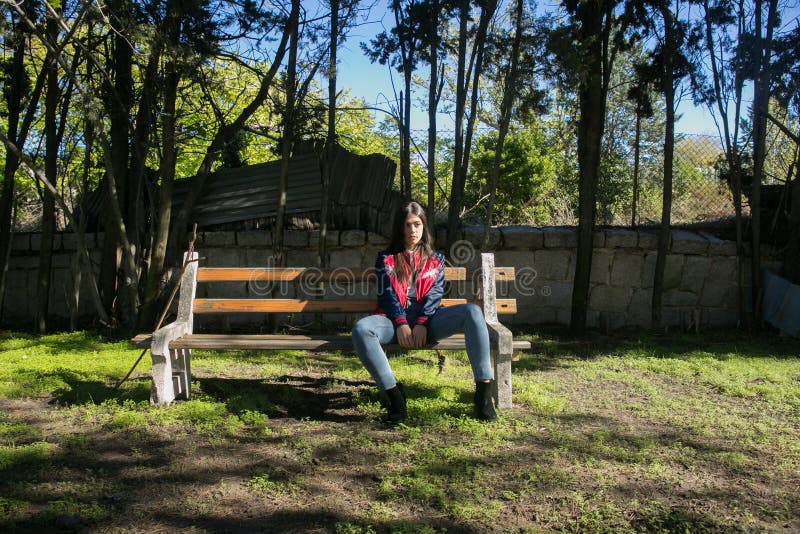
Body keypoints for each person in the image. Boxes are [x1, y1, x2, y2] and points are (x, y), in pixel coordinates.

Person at [351, 201, 497, 424]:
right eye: (408, 225)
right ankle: (395, 398)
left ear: (424, 227)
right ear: (400, 228)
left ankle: (484, 395)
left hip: (429, 321)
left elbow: (435, 294)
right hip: (394, 322)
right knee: (362, 329)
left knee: (473, 312)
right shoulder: (386, 258)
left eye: (417, 224)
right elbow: (387, 295)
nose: (412, 230)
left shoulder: (435, 259)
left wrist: (421, 323)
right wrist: (401, 323)